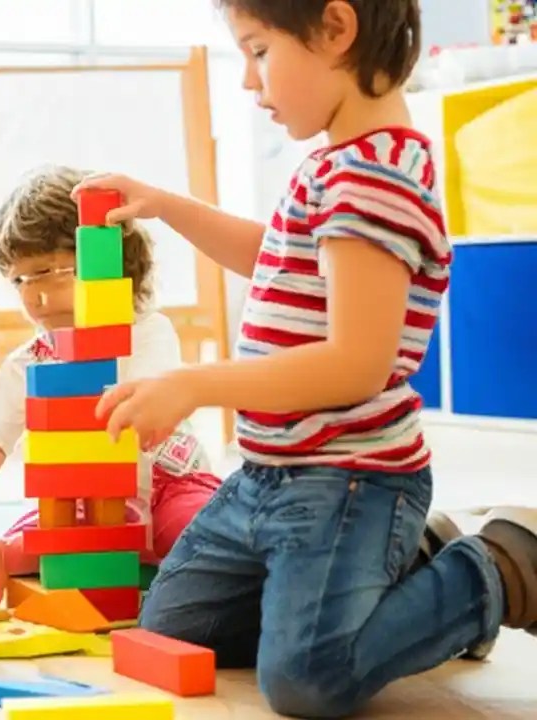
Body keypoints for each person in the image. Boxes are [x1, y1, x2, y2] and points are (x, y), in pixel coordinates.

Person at [77, 1, 536, 717]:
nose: (248, 83)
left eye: (258, 52)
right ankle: (401, 567)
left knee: (306, 680)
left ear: (336, 29)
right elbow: (273, 256)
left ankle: (497, 569)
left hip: (349, 482)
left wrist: (195, 385)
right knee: (172, 628)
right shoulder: (340, 162)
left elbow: (354, 363)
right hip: (267, 475)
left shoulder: (374, 180)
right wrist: (168, 206)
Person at [0, 165, 220, 571]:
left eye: (47, 273)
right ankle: (133, 551)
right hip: (78, 502)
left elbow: (149, 402)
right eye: (19, 280)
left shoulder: (146, 331)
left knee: (203, 532)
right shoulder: (30, 362)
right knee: (18, 550)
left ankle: (153, 548)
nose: (35, 296)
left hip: (169, 484)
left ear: (108, 261)